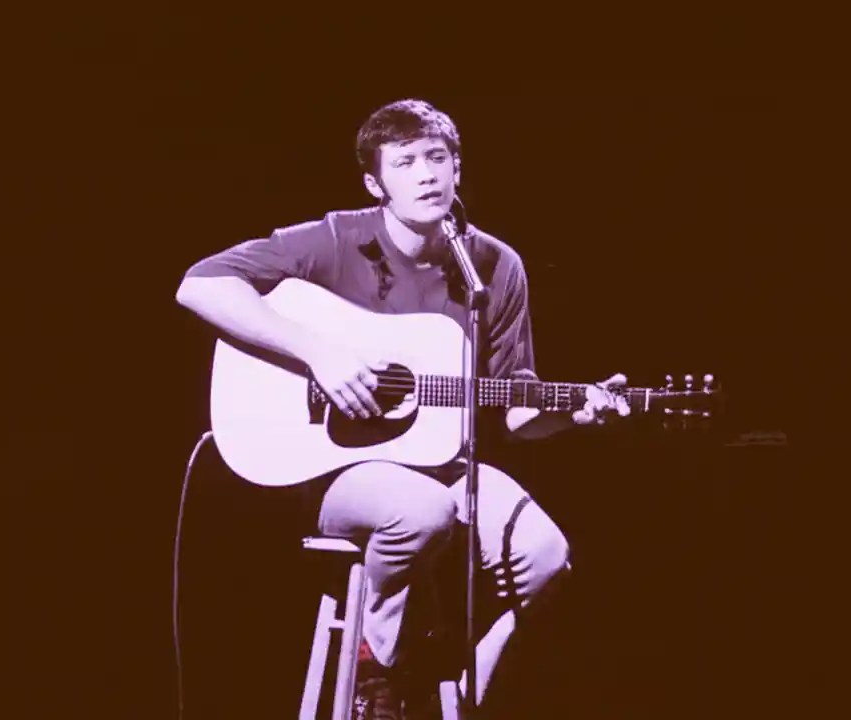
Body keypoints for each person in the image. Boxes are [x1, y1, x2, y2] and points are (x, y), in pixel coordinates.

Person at [175, 98, 630, 717]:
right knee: (422, 510)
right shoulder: (338, 240)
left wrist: (573, 413)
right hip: (330, 470)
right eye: (406, 161)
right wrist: (319, 355)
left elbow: (516, 408)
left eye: (438, 158)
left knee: (545, 556)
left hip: (444, 463)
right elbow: (200, 283)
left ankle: (464, 699)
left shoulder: (492, 268)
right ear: (376, 183)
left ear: (458, 169)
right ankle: (379, 666)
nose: (426, 174)